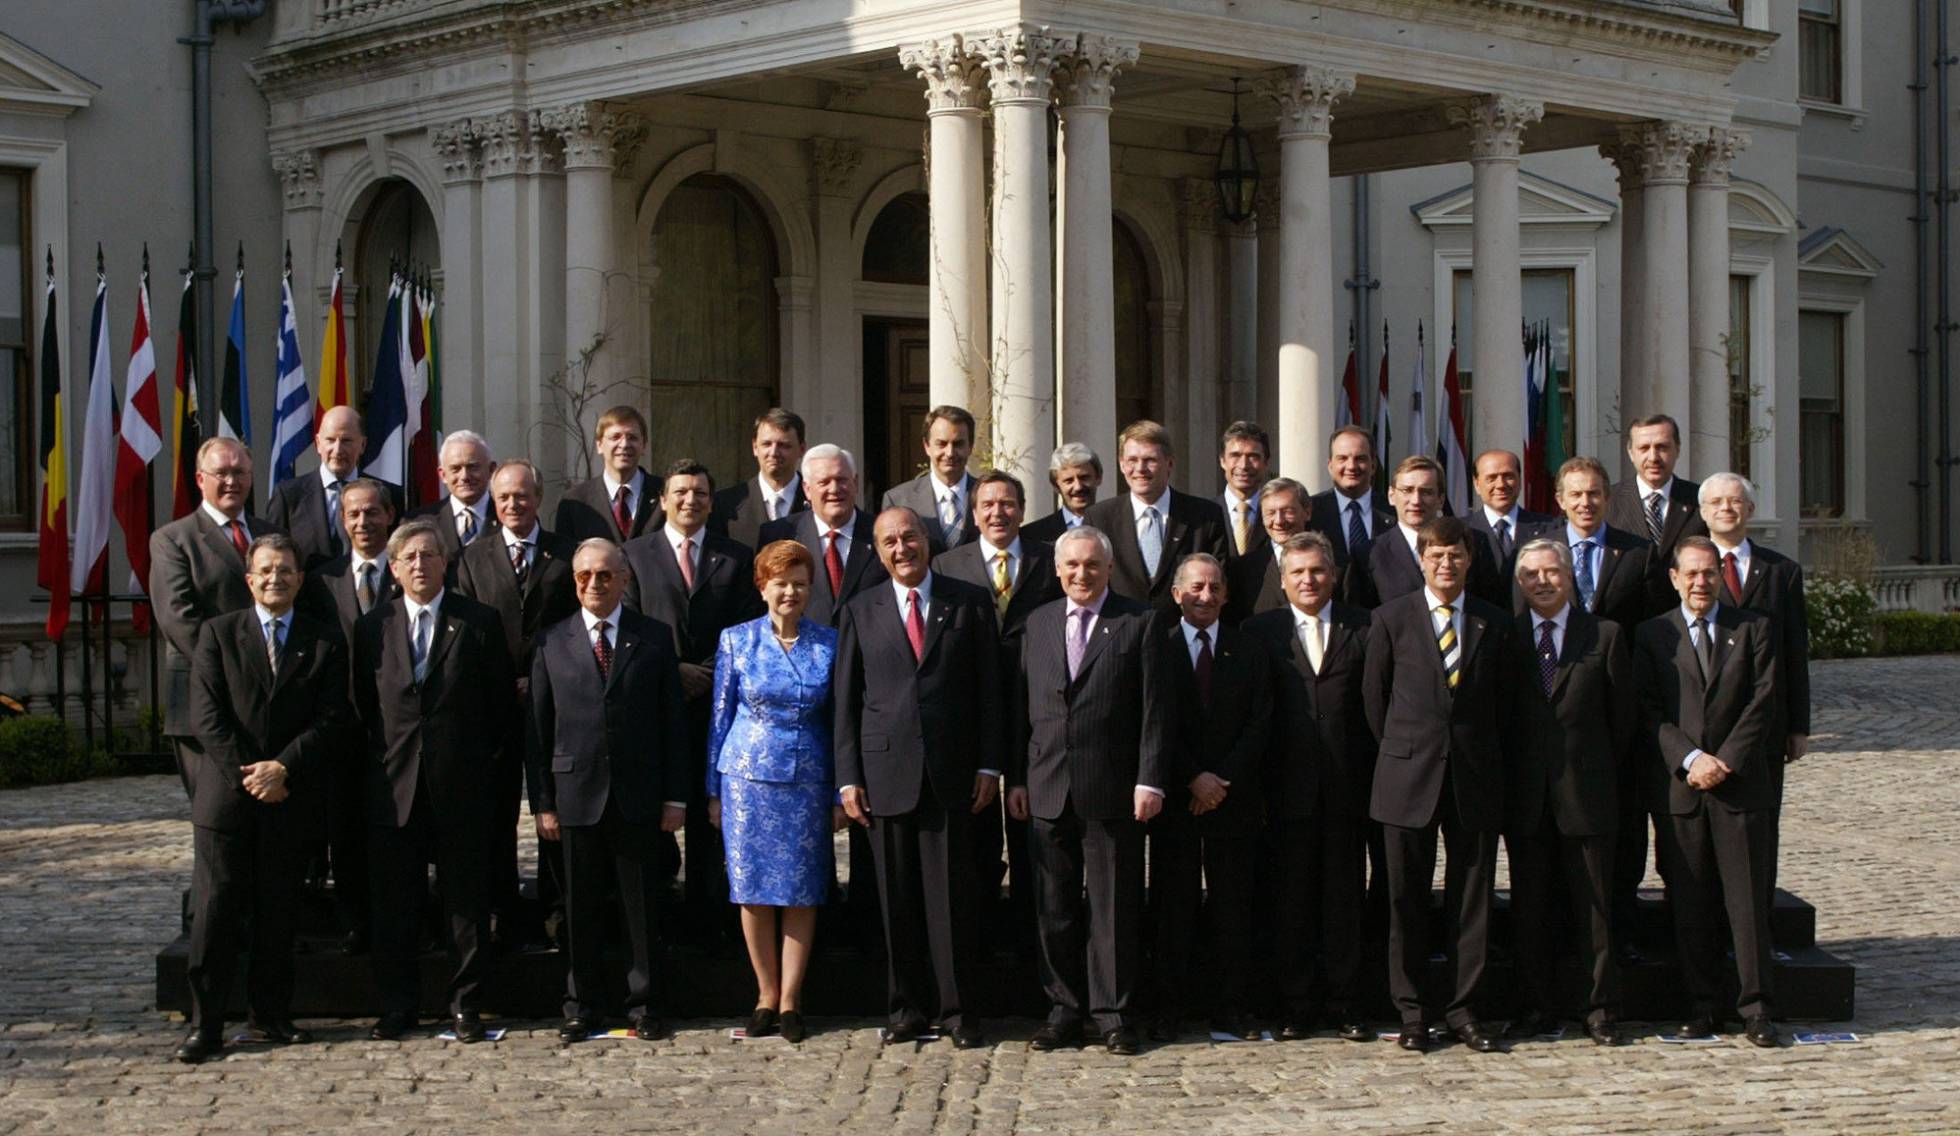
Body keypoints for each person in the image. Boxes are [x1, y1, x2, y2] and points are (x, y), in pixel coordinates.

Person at [177, 534, 351, 1063]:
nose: (276, 579)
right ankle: (206, 1025)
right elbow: (207, 717)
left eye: (286, 571)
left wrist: (283, 768)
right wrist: (250, 775)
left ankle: (270, 1015)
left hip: (289, 797)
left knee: (279, 912)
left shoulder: (324, 641)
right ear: (249, 579)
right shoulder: (218, 634)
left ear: (301, 579)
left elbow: (333, 717)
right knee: (215, 913)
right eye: (266, 571)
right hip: (228, 802)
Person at [834, 508, 1003, 1047]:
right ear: (879, 551)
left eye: (909, 537)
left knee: (953, 899)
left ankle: (958, 1011)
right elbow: (846, 700)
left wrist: (989, 763)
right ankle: (905, 1008)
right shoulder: (861, 608)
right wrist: (847, 777)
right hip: (884, 774)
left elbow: (989, 691)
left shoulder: (968, 601)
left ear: (926, 542)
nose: (901, 548)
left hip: (953, 773)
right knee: (896, 899)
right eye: (889, 542)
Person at [1007, 526, 1171, 1055]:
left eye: (1092, 565)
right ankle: (1063, 1010)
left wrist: (1150, 779)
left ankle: (1112, 1013)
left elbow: (1154, 712)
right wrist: (1017, 777)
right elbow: (1024, 709)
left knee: (1113, 908)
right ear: (1058, 570)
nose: (1082, 574)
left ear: (1108, 567)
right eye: (1072, 566)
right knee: (1053, 908)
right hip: (1048, 785)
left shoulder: (1138, 621)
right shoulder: (1039, 622)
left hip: (1114, 788)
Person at [353, 519, 516, 1044]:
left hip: (459, 787)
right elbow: (363, 709)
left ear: (445, 563)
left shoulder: (480, 622)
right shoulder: (371, 627)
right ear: (394, 568)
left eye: (430, 555)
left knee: (465, 904)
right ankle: (397, 1006)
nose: (420, 565)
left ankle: (466, 1005)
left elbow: (497, 711)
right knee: (395, 905)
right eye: (410, 558)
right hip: (394, 788)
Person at [528, 539, 690, 1042]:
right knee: (581, 909)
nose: (593, 584)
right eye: (583, 576)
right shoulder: (551, 641)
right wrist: (543, 804)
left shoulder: (654, 638)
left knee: (641, 908)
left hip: (638, 795)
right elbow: (537, 728)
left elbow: (672, 723)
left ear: (623, 579)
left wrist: (675, 796)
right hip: (575, 795)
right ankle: (582, 1004)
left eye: (604, 575)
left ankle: (644, 1004)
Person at [1363, 515, 1513, 1053]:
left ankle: (1464, 1009)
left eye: (1455, 555)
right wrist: (1408, 750)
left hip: (1474, 777)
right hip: (1407, 777)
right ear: (1421, 560)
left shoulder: (1495, 623)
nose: (1445, 563)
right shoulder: (1390, 619)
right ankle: (1411, 1011)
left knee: (1470, 901)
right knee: (1404, 897)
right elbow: (1374, 703)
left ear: (1469, 560)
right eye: (1435, 555)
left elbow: (1505, 705)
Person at [1634, 536, 1782, 1048]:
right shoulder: (1651, 635)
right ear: (1674, 578)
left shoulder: (1755, 628)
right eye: (1691, 574)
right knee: (1690, 903)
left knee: (1745, 905)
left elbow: (1764, 701)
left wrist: (1726, 762)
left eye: (1709, 574)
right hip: (1683, 790)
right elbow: (1648, 709)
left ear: (1721, 577)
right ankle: (1701, 1006)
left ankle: (1756, 1007)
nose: (1701, 582)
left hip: (1740, 787)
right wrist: (1691, 759)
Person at [707, 539, 845, 1045]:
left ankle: (792, 999)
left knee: (802, 891)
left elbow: (837, 723)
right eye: (780, 582)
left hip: (808, 778)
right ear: (762, 586)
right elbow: (720, 718)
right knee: (753, 890)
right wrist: (712, 792)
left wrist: (837, 794)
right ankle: (765, 994)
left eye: (800, 583)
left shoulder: (829, 643)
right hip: (746, 778)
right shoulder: (736, 641)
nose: (790, 592)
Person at [1522, 455, 1659, 953]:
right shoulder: (1534, 555)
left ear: (1608, 498)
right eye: (1575, 494)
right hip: (1547, 734)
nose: (1585, 502)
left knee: (1614, 855)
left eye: (1594, 493)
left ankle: (1614, 948)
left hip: (1607, 727)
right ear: (1559, 500)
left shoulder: (1638, 554)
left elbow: (1649, 636)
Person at [1243, 532, 1375, 1043]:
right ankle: (1295, 1004)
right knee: (1291, 903)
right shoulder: (1261, 632)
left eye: (1317, 571)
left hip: (1348, 789)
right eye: (1297, 573)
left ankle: (1345, 1003)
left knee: (1345, 900)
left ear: (1334, 575)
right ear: (1282, 580)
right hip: (1284, 792)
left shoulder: (1364, 626)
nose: (1309, 580)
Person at [623, 459, 763, 928]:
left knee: (710, 819)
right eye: (680, 492)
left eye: (700, 493)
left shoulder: (736, 558)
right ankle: (659, 921)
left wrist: (705, 672)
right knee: (655, 817)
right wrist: (673, 670)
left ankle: (708, 921)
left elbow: (745, 626)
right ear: (663, 500)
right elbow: (628, 626)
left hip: (716, 708)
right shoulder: (634, 555)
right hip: (654, 708)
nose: (690, 501)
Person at [1505, 538, 1633, 1047]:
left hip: (1588, 794)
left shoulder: (1605, 635)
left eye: (1551, 571)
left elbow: (1622, 722)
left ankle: (1599, 1009)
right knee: (1530, 911)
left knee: (1595, 911)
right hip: (1528, 801)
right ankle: (1535, 1006)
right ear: (1520, 583)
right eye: (1531, 574)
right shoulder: (1505, 637)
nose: (1542, 581)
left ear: (1569, 576)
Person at [453, 459, 580, 947]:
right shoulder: (471, 558)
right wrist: (504, 682)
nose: (513, 504)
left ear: (539, 496)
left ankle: (557, 914)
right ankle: (504, 913)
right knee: (495, 815)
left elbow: (575, 627)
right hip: (494, 707)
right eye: (504, 497)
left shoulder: (566, 557)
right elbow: (465, 633)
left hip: (558, 705)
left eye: (522, 495)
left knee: (555, 811)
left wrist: (543, 680)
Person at [933, 470, 1061, 952]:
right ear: (973, 512)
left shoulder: (1051, 561)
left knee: (1034, 831)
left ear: (1023, 510)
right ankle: (984, 939)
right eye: (987, 505)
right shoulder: (948, 565)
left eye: (1007, 504)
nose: (997, 513)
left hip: (1039, 708)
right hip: (972, 713)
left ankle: (1034, 940)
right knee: (978, 834)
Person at [1146, 553, 1271, 1042]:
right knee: (1172, 908)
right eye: (1196, 587)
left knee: (1232, 907)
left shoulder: (1248, 648)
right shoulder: (1157, 645)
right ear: (1177, 594)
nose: (1206, 595)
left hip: (1232, 799)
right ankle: (1170, 1008)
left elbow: (1260, 721)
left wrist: (1220, 781)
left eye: (1215, 587)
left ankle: (1232, 1006)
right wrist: (1192, 777)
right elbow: (1153, 720)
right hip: (1176, 798)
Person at [297, 477, 399, 954]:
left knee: (398, 835)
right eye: (353, 514)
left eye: (372, 512)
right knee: (345, 835)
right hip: (340, 730)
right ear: (342, 521)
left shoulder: (411, 572)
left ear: (390, 516)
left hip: (399, 731)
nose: (363, 522)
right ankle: (355, 924)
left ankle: (403, 922)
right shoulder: (321, 581)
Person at [1700, 472, 1810, 905]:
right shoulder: (1686, 566)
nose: (1726, 509)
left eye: (1735, 502)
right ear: (1704, 512)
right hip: (1704, 726)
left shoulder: (1782, 571)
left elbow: (1795, 651)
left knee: (1761, 833)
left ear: (1749, 509)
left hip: (1763, 725)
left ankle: (1756, 928)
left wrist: (1798, 725)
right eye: (1717, 502)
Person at [151, 437, 282, 796]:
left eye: (239, 472)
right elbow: (179, 619)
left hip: (269, 701)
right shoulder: (173, 540)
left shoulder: (273, 535)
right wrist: (238, 673)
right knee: (217, 819)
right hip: (205, 698)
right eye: (221, 473)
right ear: (199, 479)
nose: (231, 481)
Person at [1082, 419, 1229, 615]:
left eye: (1150, 460)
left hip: (1182, 636)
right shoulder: (1099, 518)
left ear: (1169, 463)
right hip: (1122, 634)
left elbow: (1219, 580)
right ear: (1121, 464)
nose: (1140, 469)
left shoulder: (1205, 516)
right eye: (1132, 460)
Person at [759, 444, 889, 627]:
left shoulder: (883, 534)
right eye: (824, 482)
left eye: (842, 479)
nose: (834, 489)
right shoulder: (779, 535)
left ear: (855, 483)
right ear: (807, 489)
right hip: (803, 649)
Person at [262, 406, 403, 571]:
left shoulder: (389, 494)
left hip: (368, 592)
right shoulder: (288, 496)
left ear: (363, 444)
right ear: (318, 443)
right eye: (330, 440)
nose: (337, 450)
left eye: (346, 441)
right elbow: (272, 554)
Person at [1363, 456, 1505, 609]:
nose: (1416, 500)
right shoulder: (1370, 554)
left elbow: (1490, 606)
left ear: (1441, 500)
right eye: (1407, 490)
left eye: (1426, 492)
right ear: (1391, 496)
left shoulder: (1475, 541)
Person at [1606, 413, 1707, 588]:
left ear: (1677, 449)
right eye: (1644, 448)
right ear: (1631, 453)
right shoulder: (1608, 501)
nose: (1653, 457)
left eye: (1662, 447)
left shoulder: (1701, 500)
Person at [1306, 426, 1394, 607]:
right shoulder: (1309, 512)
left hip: (1385, 614)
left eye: (1360, 458)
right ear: (1330, 466)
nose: (1351, 466)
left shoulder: (1394, 511)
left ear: (1374, 465)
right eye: (1342, 459)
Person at [554, 405, 662, 543]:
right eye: (615, 437)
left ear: (644, 444)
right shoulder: (574, 502)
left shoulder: (665, 494)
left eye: (632, 437)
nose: (624, 444)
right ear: (599, 445)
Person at [881, 405, 980, 551]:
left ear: (970, 446)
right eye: (942, 444)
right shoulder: (899, 500)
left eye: (958, 444)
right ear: (927, 446)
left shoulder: (987, 497)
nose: (950, 453)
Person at [712, 408, 809, 549]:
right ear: (754, 447)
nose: (774, 452)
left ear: (801, 449)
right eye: (766, 444)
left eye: (784, 445)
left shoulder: (818, 502)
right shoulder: (725, 505)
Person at [1223, 476, 1310, 624]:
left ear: (1307, 512)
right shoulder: (1243, 570)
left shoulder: (1336, 564)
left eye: (1288, 511)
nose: (1279, 521)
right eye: (1270, 513)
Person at [406, 430, 495, 565]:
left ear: (491, 470)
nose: (464, 476)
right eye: (455, 469)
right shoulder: (418, 522)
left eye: (473, 467)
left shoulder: (510, 517)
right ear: (442, 475)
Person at [1464, 449, 1551, 579]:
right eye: (1491, 478)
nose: (1501, 484)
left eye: (1508, 476)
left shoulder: (1550, 527)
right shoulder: (1461, 530)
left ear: (1520, 480)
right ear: (1477, 484)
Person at [1022, 443, 1103, 544]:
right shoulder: (1032, 535)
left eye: (1084, 477)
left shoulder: (1117, 527)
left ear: (1098, 478)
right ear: (1056, 486)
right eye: (1069, 481)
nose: (1078, 487)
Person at [1216, 421, 1272, 563]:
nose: (1244, 465)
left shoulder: (1278, 516)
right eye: (1235, 455)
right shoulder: (1204, 517)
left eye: (1253, 456)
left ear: (1266, 463)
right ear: (1223, 461)